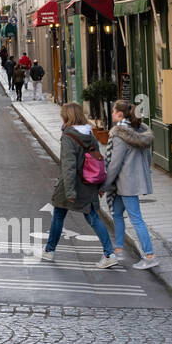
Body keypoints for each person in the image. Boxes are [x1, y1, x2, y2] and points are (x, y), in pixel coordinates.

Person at [42, 102, 117, 267]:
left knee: (59, 217)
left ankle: (49, 251)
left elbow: (68, 166)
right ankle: (109, 253)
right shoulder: (90, 135)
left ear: (67, 117)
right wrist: (99, 186)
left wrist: (69, 192)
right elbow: (97, 161)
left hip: (71, 184)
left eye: (62, 115)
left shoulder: (69, 137)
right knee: (93, 218)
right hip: (88, 184)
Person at [104, 100, 158, 269]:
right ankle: (118, 250)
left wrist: (105, 184)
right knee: (117, 214)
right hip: (132, 180)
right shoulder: (139, 130)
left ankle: (149, 256)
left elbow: (114, 163)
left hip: (126, 182)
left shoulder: (120, 134)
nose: (112, 113)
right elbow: (148, 157)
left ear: (120, 114)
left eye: (113, 111)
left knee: (136, 219)